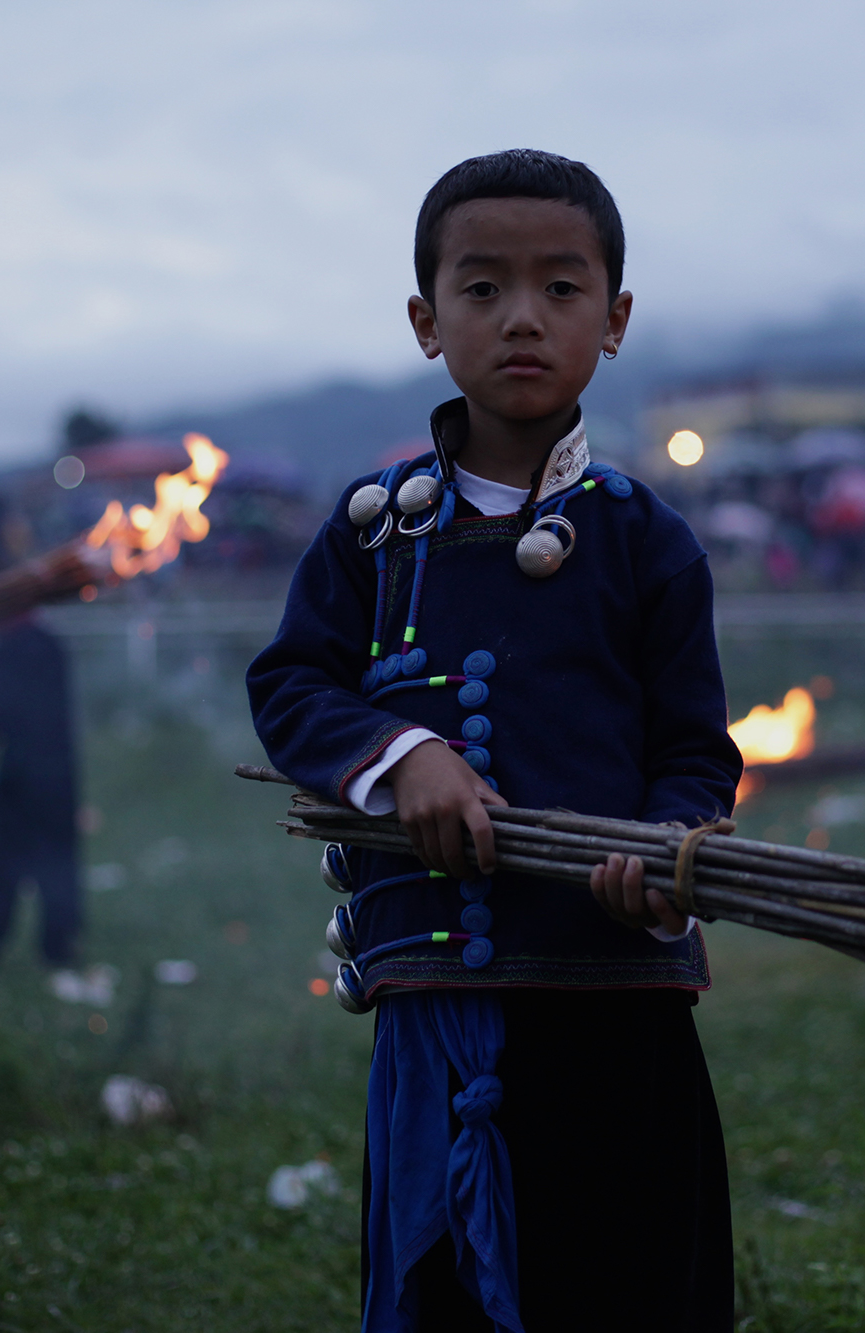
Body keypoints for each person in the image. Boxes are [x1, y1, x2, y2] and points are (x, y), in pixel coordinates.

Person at [249, 150, 742, 1332]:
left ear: (613, 320)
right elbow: (291, 685)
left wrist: (666, 857)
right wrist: (396, 757)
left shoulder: (644, 541)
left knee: (620, 1282)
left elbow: (693, 754)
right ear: (427, 320)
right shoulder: (372, 535)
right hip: (438, 1011)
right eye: (481, 288)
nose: (521, 317)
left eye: (561, 288)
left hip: (613, 998)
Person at [0, 497, 107, 1005]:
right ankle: (5, 948)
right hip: (26, 759)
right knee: (13, 854)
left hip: (44, 758)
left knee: (37, 855)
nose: (21, 529)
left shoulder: (36, 635)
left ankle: (53, 948)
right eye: (15, 521)